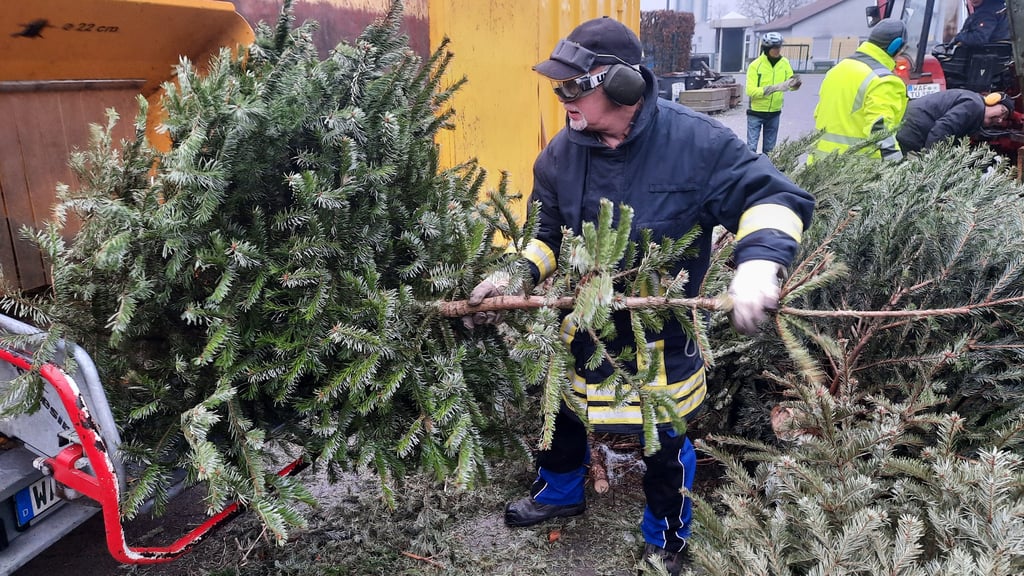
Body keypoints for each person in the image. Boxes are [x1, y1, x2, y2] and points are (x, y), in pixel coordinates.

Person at [462, 16, 814, 576]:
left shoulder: (697, 144)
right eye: (557, 87)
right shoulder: (560, 154)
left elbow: (774, 197)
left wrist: (758, 267)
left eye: (574, 86)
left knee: (664, 441)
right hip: (584, 323)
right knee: (563, 415)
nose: (562, 99)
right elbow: (546, 232)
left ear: (622, 84)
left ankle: (667, 536)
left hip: (663, 331)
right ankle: (559, 492)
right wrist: (517, 275)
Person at [812, 18, 909, 161]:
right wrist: (898, 167)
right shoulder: (884, 80)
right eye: (902, 51)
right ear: (895, 47)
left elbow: (819, 114)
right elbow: (881, 129)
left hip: (819, 162)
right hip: (856, 170)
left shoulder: (838, 69)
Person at [896, 89, 1014, 153]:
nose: (999, 120)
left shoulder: (974, 109)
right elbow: (943, 129)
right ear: (992, 101)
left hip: (912, 130)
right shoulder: (974, 106)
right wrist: (931, 161)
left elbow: (952, 139)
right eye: (1002, 112)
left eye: (1003, 118)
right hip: (913, 131)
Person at [746, 32, 801, 154]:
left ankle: (765, 172)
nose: (777, 50)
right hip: (756, 112)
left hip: (774, 113)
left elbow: (789, 85)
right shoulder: (755, 65)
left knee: (770, 150)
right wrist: (772, 88)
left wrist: (795, 84)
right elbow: (750, 90)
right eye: (775, 48)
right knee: (751, 149)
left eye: (779, 47)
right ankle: (750, 171)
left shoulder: (784, 63)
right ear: (766, 48)